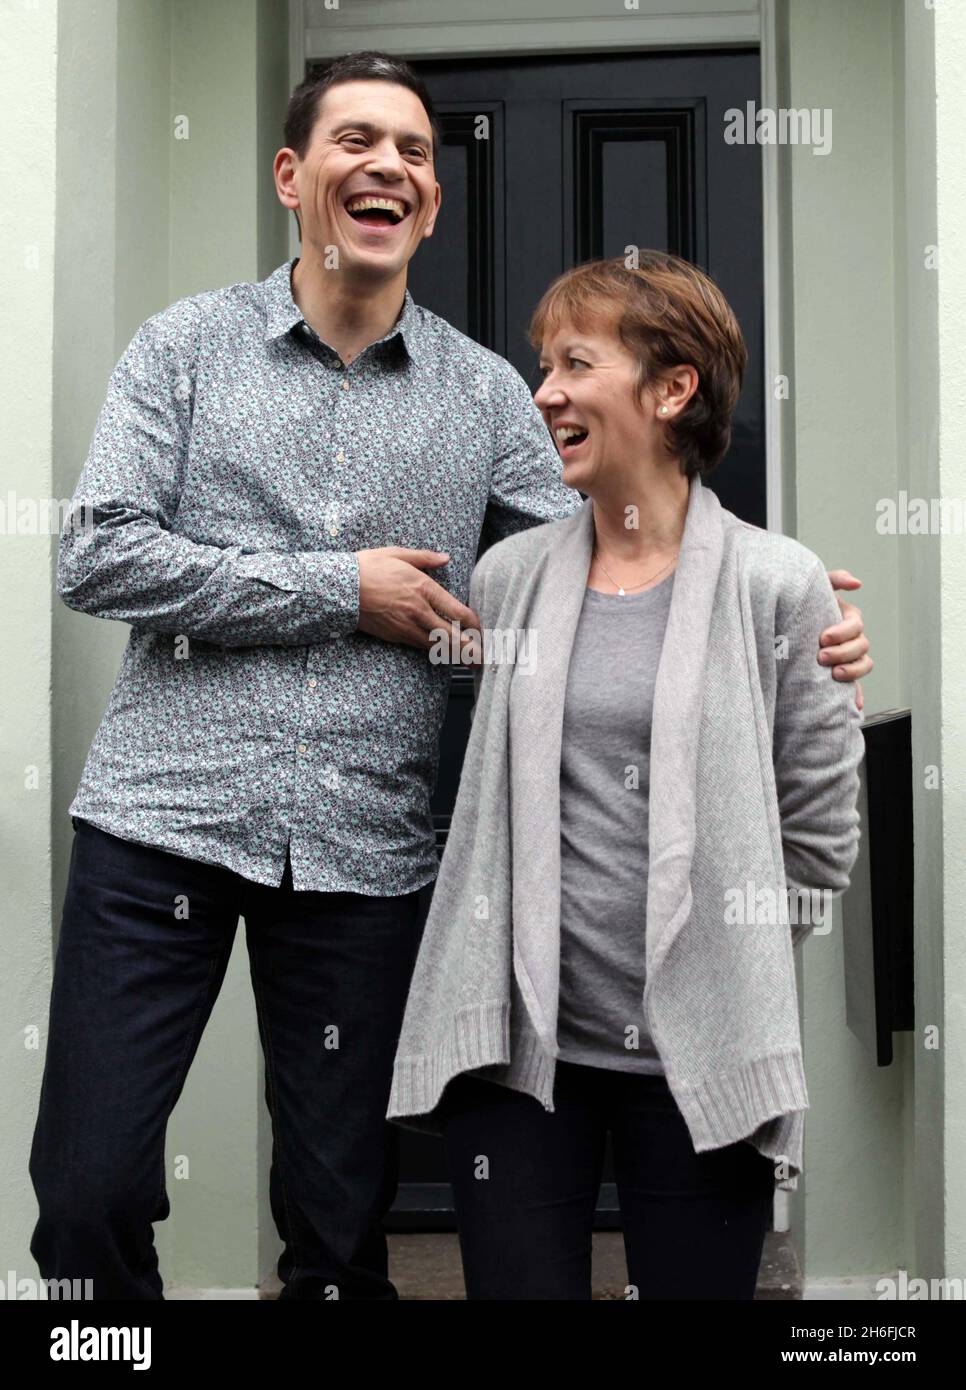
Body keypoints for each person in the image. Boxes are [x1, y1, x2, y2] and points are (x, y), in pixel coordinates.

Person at [30, 50, 870, 1302]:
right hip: (162, 828)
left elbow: (607, 563)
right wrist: (338, 586)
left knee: (339, 1220)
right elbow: (96, 553)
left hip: (370, 861)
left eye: (417, 153)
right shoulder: (186, 348)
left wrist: (783, 616)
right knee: (88, 1190)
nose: (391, 166)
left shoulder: (486, 394)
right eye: (358, 141)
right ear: (292, 175)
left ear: (429, 202)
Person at [387, 251, 867, 1301]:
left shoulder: (778, 583)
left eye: (574, 362)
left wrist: (716, 954)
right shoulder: (510, 577)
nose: (544, 390)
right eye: (541, 365)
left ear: (672, 387)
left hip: (699, 1061)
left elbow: (822, 838)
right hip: (522, 1056)